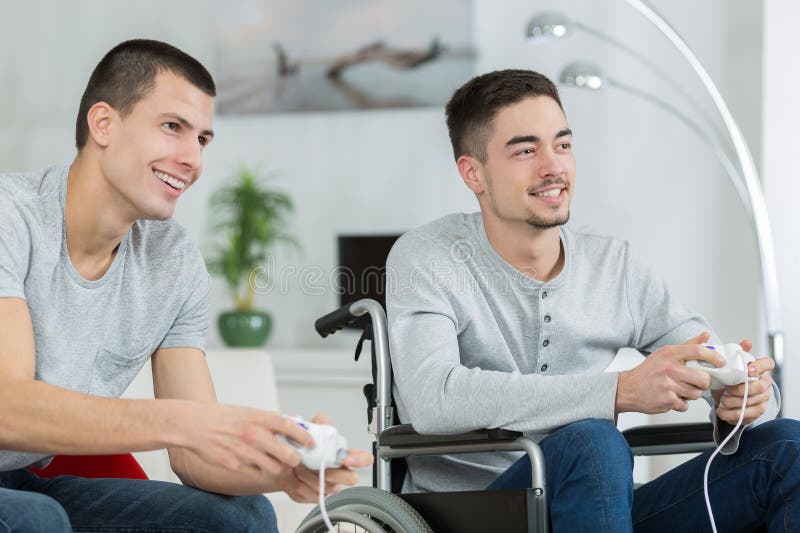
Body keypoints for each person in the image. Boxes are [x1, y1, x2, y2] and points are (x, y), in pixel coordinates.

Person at [386, 69, 798, 531]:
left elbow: (706, 352)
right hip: (478, 514)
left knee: (786, 448)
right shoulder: (429, 255)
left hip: (600, 505)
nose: (553, 167)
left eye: (562, 144)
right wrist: (619, 392)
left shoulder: (613, 263)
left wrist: (739, 391)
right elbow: (432, 397)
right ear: (473, 173)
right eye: (526, 150)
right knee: (593, 440)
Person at [0, 39, 371, 532]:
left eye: (202, 139)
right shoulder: (12, 217)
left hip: (23, 479)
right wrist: (187, 421)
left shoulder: (171, 261)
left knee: (239, 517)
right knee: (36, 518)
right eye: (173, 127)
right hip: (26, 493)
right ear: (103, 123)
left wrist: (277, 467)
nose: (192, 158)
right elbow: (9, 409)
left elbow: (194, 457)